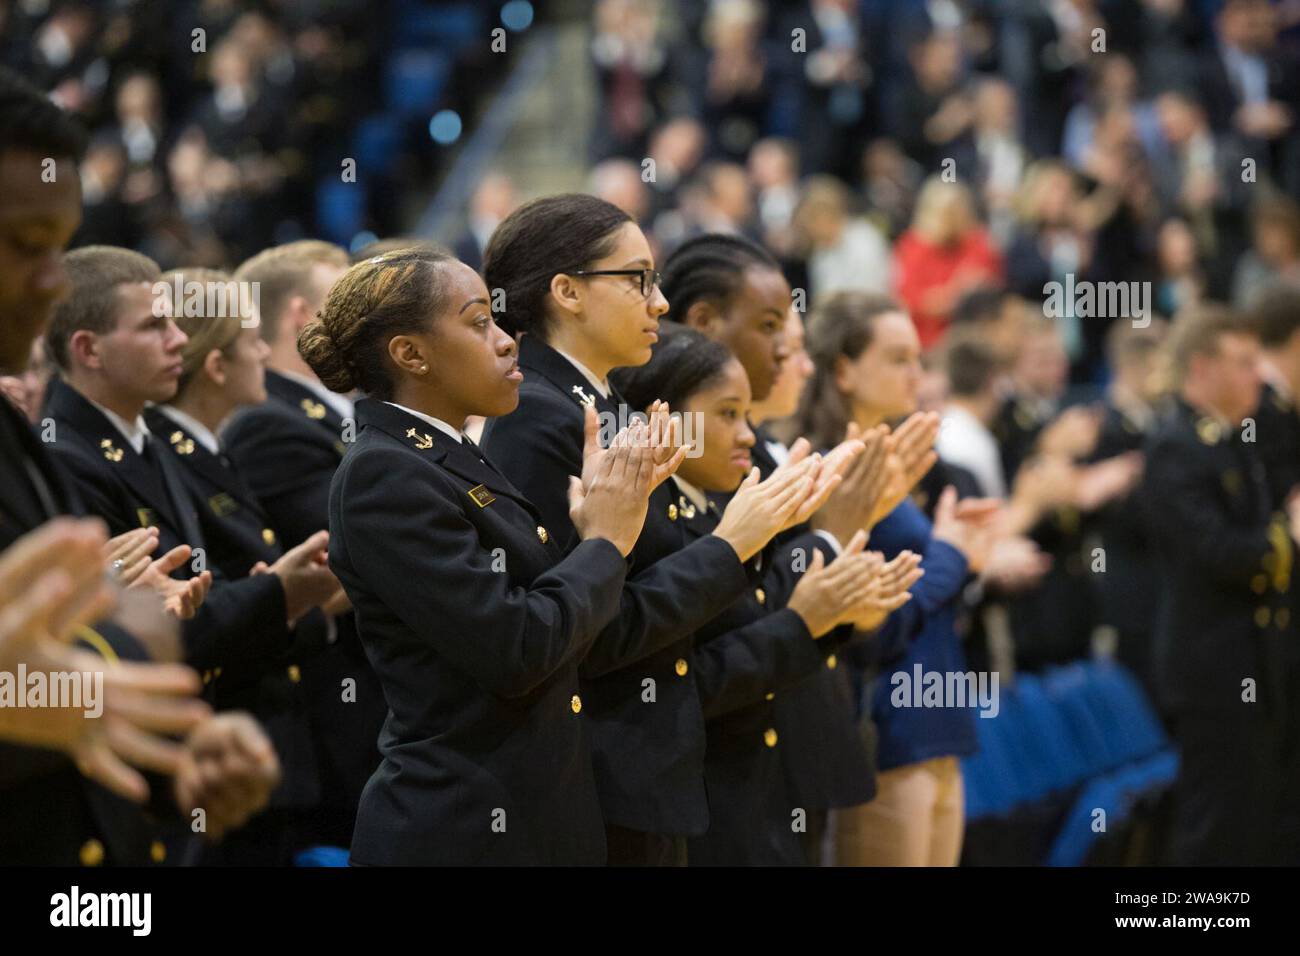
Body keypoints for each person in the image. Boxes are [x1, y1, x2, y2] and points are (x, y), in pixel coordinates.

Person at [481, 195, 842, 864]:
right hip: (596, 777)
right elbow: (580, 630)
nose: (659, 302)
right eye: (637, 279)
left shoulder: (594, 404)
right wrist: (733, 544)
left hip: (643, 769)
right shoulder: (539, 414)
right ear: (567, 291)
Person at [299, 247, 676, 864]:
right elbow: (519, 648)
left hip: (529, 813)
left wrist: (592, 531)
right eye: (479, 323)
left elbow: (540, 612)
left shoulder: (442, 453)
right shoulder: (384, 474)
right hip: (461, 826)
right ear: (411, 354)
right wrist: (608, 540)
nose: (506, 343)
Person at [0, 65, 279, 864]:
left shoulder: (18, 436)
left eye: (60, 245)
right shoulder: (57, 437)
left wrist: (171, 758)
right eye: (26, 247)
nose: (52, 281)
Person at [613, 324, 922, 865]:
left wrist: (845, 615)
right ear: (664, 420)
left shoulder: (715, 506)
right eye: (728, 414)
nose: (748, 436)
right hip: (713, 804)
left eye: (747, 416)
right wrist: (806, 620)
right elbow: (686, 682)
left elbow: (777, 618)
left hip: (771, 788)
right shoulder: (658, 524)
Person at [42, 246, 341, 676]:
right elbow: (147, 627)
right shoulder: (67, 458)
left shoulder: (146, 442)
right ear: (89, 350)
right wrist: (278, 591)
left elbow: (200, 586)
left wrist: (271, 591)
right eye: (154, 326)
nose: (179, 339)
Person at [798, 292, 1000, 866]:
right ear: (843, 369)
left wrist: (963, 557)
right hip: (885, 720)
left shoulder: (898, 458)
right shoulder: (834, 468)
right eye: (897, 358)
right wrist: (951, 556)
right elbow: (872, 621)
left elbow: (922, 585)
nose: (918, 373)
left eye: (919, 357)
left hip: (936, 713)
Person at [142, 267, 336, 864]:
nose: (265, 352)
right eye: (252, 339)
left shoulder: (206, 449)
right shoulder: (173, 453)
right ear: (217, 367)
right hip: (229, 744)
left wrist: (282, 595)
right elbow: (202, 610)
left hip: (268, 746)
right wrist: (283, 594)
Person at [224, 239, 385, 847]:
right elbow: (364, 554)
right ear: (301, 317)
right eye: (350, 299)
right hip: (339, 718)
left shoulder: (332, 415)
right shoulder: (269, 422)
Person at [1142, 304, 1300, 865]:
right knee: (1218, 830)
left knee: (1266, 822)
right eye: (1243, 363)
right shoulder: (1174, 447)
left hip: (1259, 661)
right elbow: (1219, 553)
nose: (1257, 375)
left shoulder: (1233, 440)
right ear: (1202, 369)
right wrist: (1291, 533)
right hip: (1215, 669)